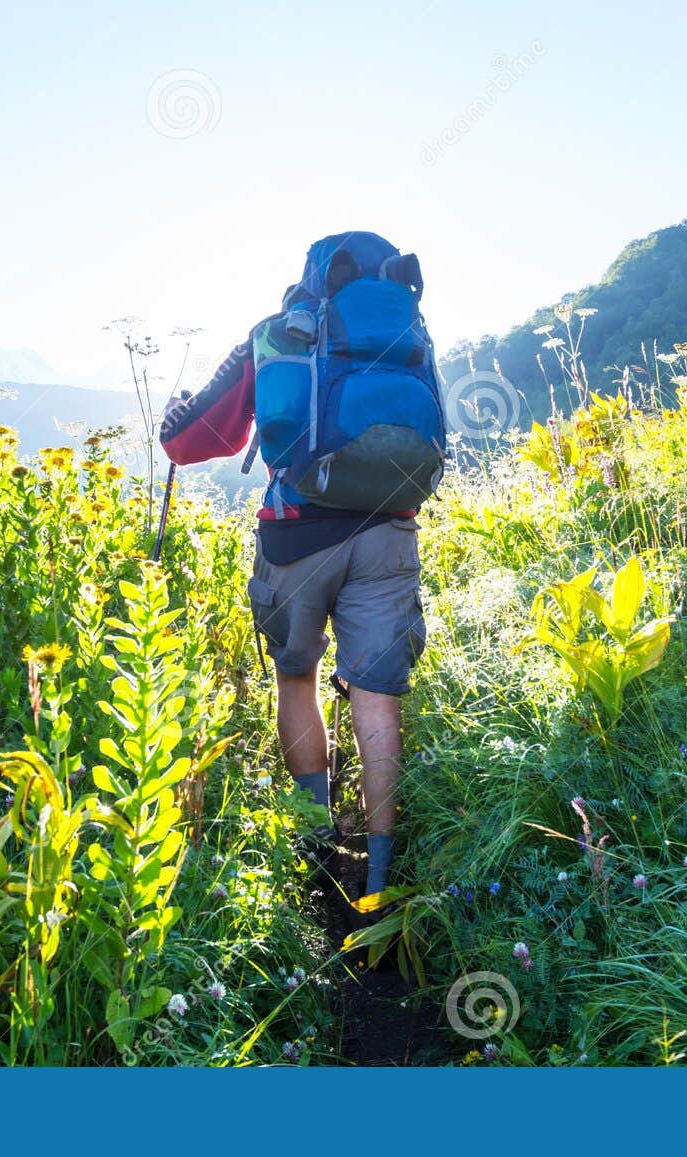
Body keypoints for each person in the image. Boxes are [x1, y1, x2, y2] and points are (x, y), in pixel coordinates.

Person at [159, 231, 443, 903]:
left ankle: (316, 850)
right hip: (388, 536)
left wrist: (173, 418)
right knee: (378, 698)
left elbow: (196, 438)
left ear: (313, 280)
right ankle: (379, 875)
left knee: (297, 679)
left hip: (296, 540)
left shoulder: (274, 335)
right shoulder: (411, 341)